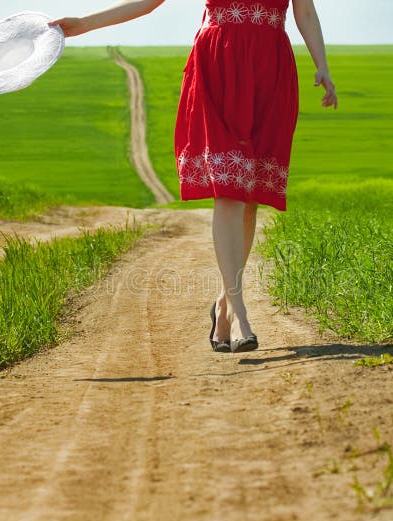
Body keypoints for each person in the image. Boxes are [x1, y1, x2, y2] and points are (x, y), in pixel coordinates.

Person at [51, 0, 337, 353]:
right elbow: (149, 2)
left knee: (249, 200)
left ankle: (222, 307)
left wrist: (322, 65)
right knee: (230, 192)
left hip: (269, 71)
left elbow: (304, 11)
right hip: (220, 67)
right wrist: (83, 23)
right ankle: (241, 318)